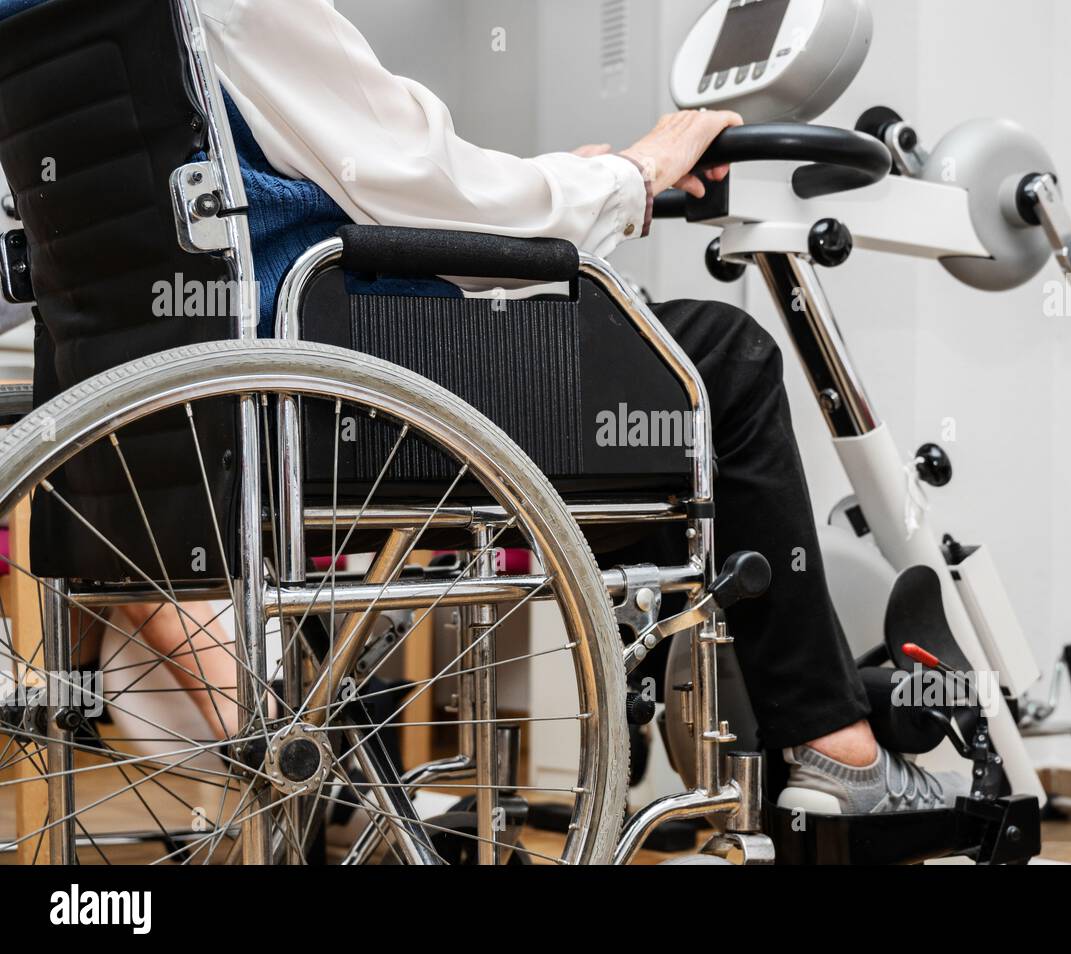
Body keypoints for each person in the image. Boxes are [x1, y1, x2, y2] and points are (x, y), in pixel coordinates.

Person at [0, 0, 962, 814]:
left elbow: (344, 177)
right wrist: (631, 176)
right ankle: (839, 747)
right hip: (326, 392)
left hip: (167, 422)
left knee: (642, 403)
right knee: (722, 360)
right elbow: (419, 185)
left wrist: (568, 180)